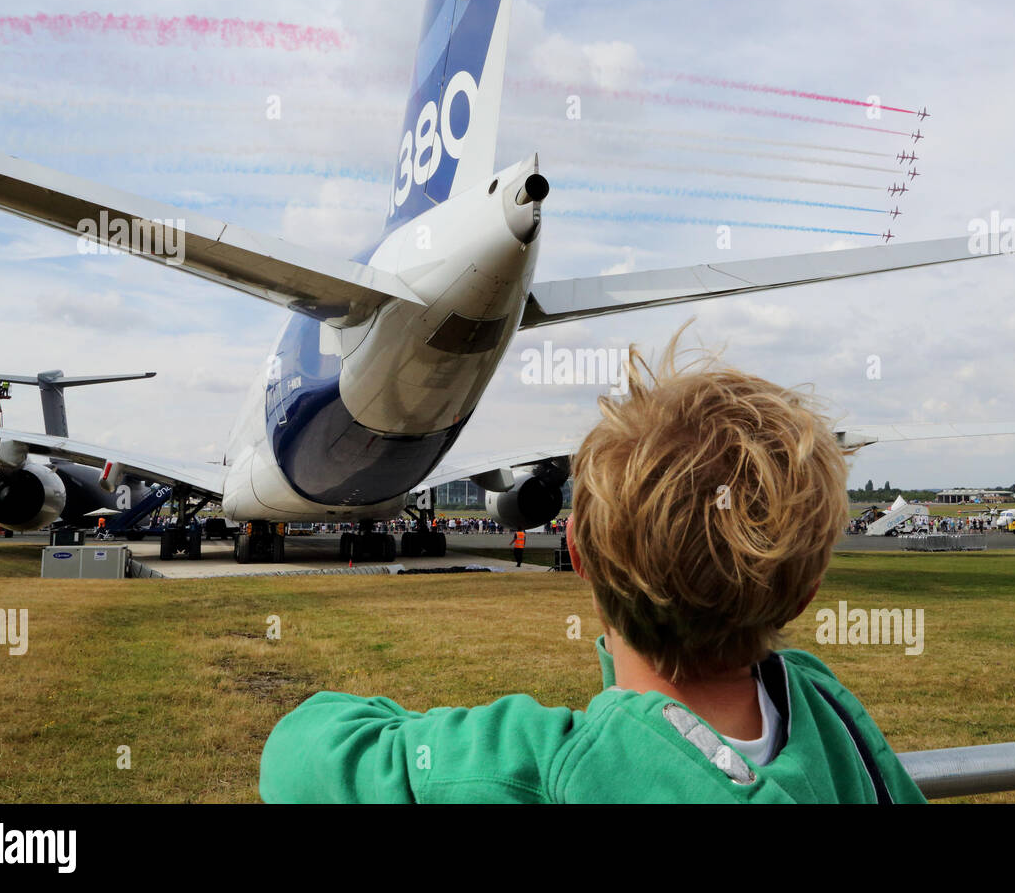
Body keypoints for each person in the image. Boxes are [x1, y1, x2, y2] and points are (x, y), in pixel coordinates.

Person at [259, 329, 926, 803]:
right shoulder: (833, 722)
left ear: (576, 549)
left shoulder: (547, 763)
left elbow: (294, 753)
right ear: (808, 592)